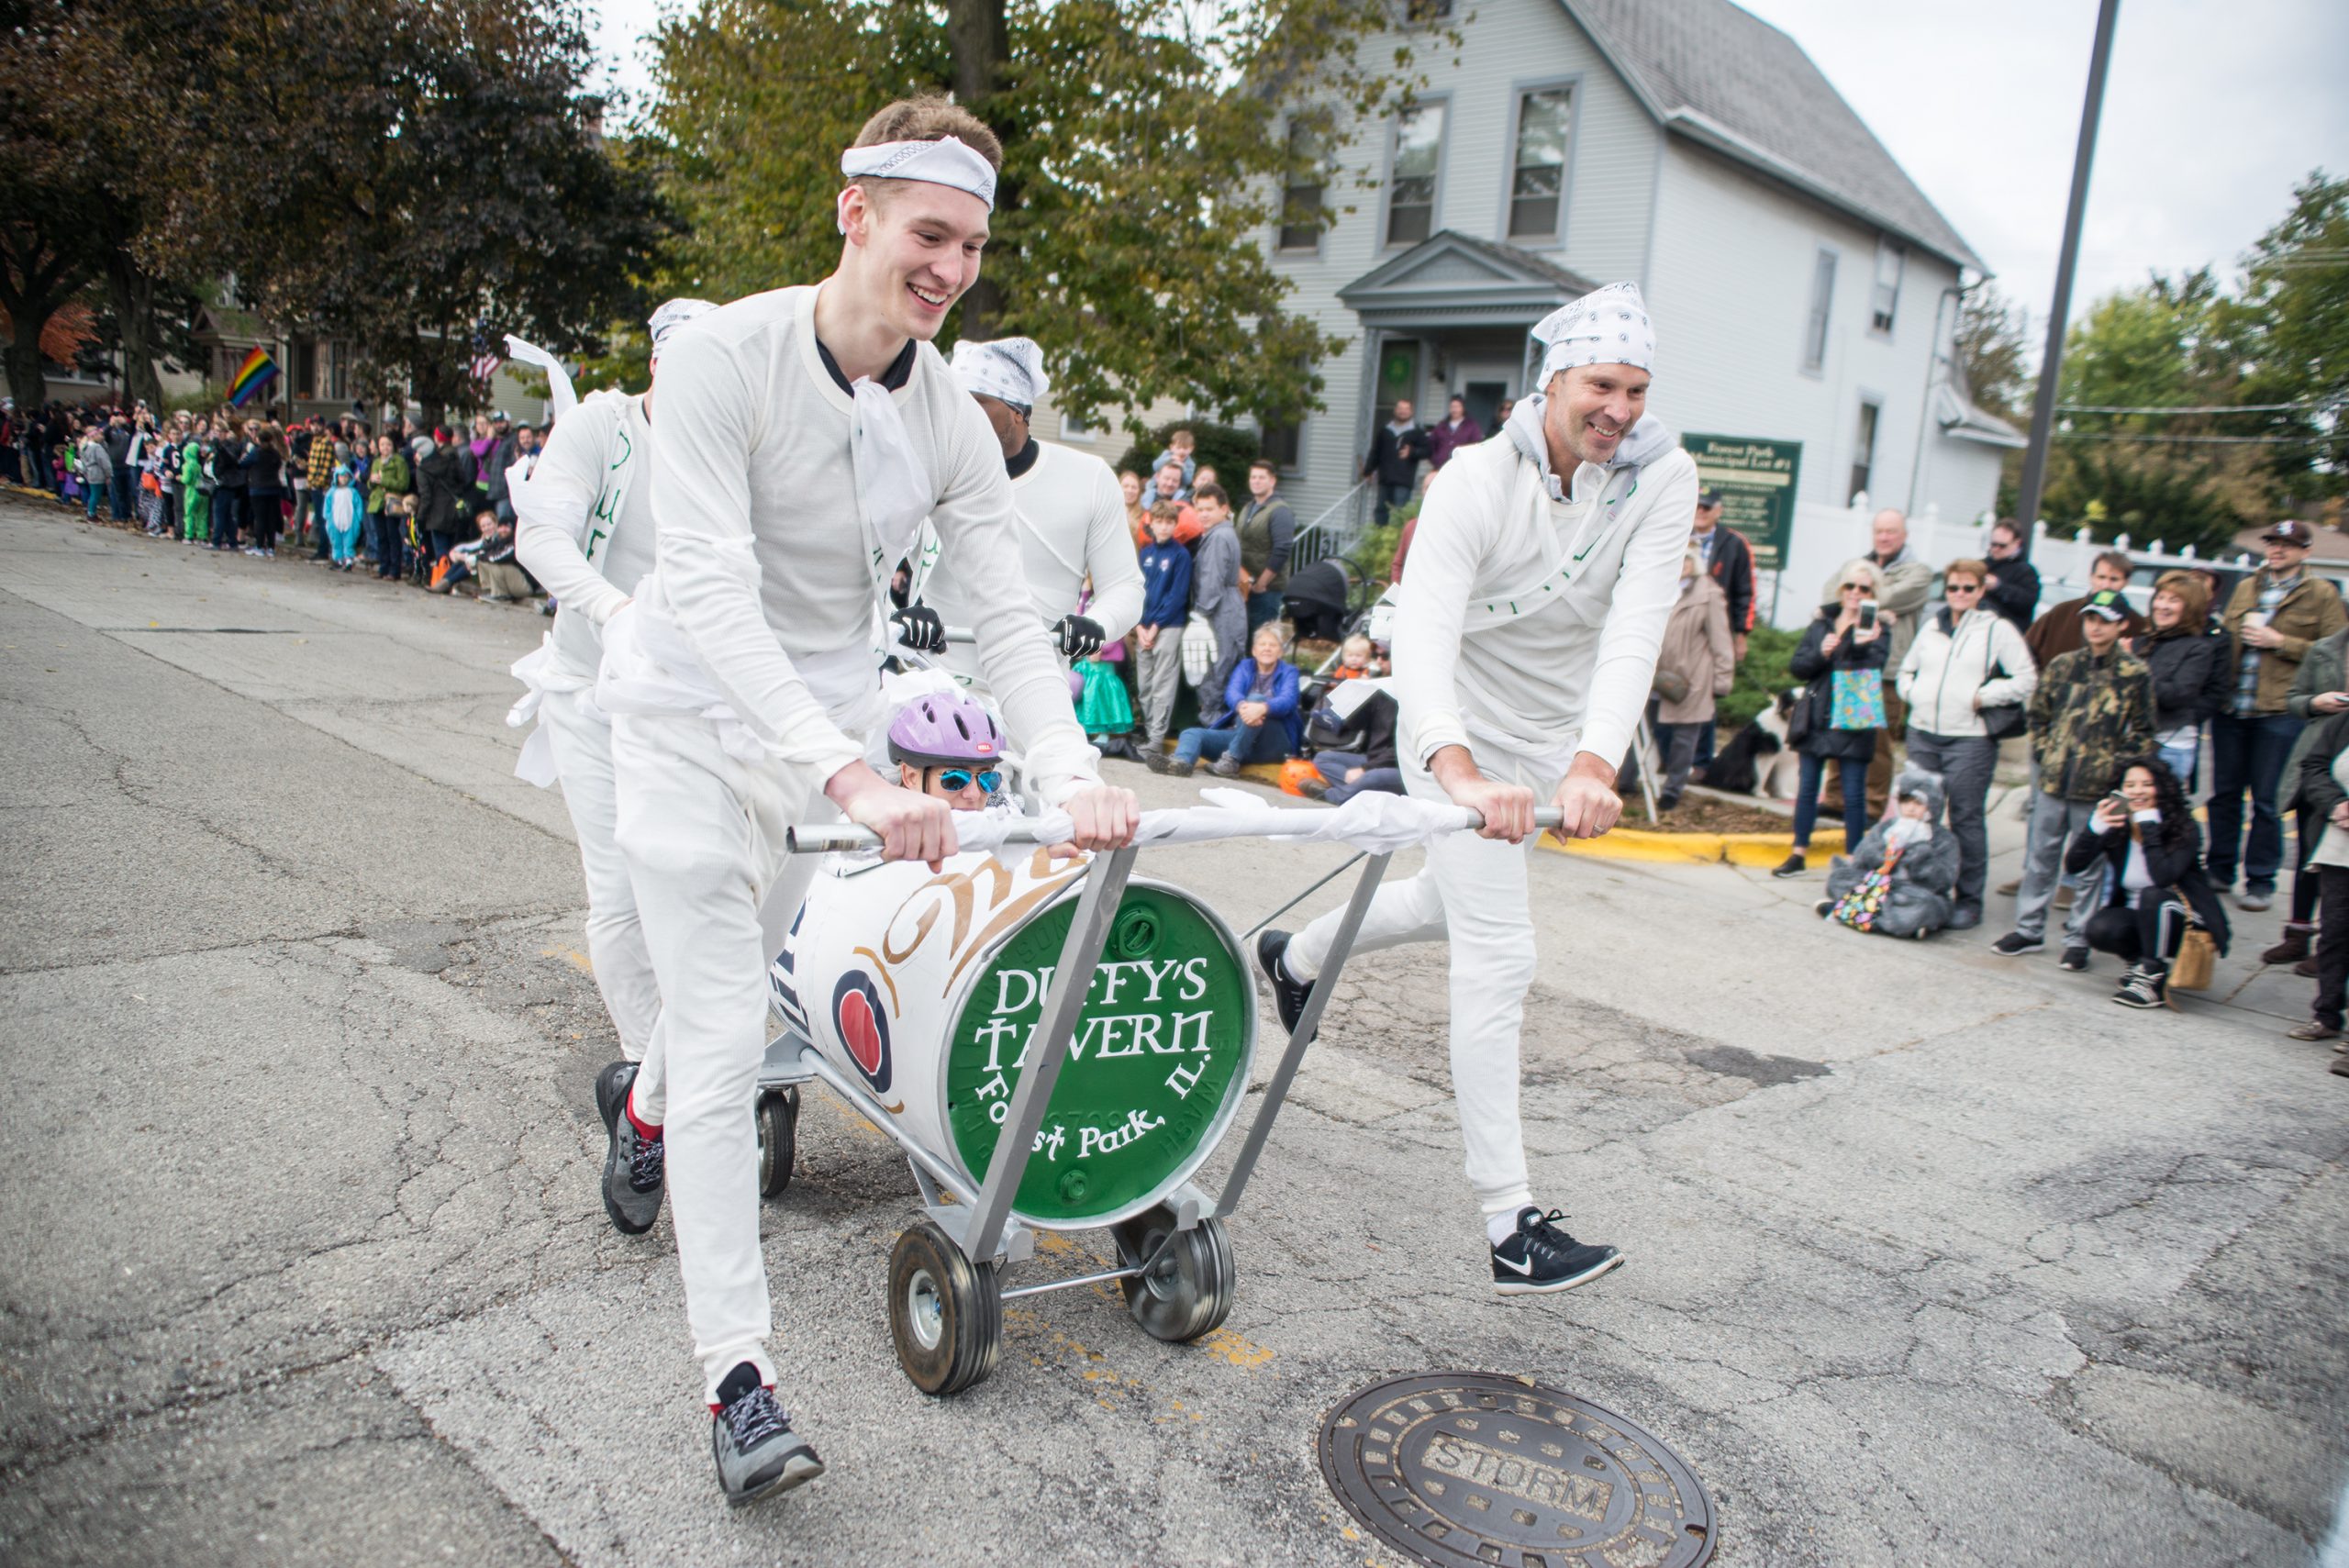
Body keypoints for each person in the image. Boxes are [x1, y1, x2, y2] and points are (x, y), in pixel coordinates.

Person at [590, 97, 1136, 1505]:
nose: (950, 267)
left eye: (971, 245)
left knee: (730, 1015)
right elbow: (705, 583)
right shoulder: (727, 356)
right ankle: (738, 1378)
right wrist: (841, 769)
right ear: (858, 212)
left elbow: (1005, 614)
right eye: (929, 233)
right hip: (682, 722)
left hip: (820, 740)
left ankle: (642, 1112)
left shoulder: (948, 407)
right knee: (723, 1035)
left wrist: (1070, 775)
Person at [1263, 282, 1697, 1296]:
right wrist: (1453, 763)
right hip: (1449, 719)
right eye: (1602, 385)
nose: (1620, 410)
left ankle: (1298, 954)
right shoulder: (1469, 477)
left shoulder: (1660, 476)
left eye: (1635, 390)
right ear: (1553, 380)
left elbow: (1636, 623)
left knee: (1443, 905)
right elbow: (1423, 631)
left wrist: (1594, 760)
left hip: (1550, 740)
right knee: (1500, 951)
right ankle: (1510, 1224)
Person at [508, 296, 719, 1218]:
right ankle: (649, 1089)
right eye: (680, 374)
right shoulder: (604, 427)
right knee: (621, 889)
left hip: (692, 710)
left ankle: (658, 1093)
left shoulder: (729, 450)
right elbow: (542, 533)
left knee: (717, 897)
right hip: (593, 694)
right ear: (654, 368)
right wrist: (613, 611)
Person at [904, 335, 1142, 690]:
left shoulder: (1089, 478)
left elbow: (1125, 586)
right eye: (951, 402)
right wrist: (909, 611)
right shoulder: (925, 468)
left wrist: (1096, 623)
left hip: (1035, 686)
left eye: (976, 402)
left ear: (1018, 411)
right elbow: (868, 565)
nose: (958, 415)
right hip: (934, 685)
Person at [1991, 590, 2156, 969]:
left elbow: (2144, 731)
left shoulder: (2134, 674)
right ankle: (2029, 928)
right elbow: (2040, 715)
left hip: (2095, 790)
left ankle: (2078, 937)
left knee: (2089, 866)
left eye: (2104, 620)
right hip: (2053, 782)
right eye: (2090, 619)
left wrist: (2114, 770)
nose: (2095, 627)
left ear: (2121, 625)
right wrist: (2047, 752)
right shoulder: (2064, 665)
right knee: (2040, 858)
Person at [2208, 519, 2347, 911]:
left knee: (2268, 800)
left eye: (2287, 544)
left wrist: (2280, 642)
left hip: (2280, 710)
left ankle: (2261, 879)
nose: (2277, 550)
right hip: (2233, 705)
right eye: (2273, 542)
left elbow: (2331, 652)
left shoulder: (2320, 593)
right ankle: (2219, 869)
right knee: (2224, 795)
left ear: (2305, 552)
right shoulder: (2249, 585)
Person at [1897, 557, 2037, 929]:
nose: (1960, 594)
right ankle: (1920, 887)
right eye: (1954, 587)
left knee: (1965, 817)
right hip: (1923, 730)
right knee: (1919, 815)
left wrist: (1984, 695)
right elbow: (1906, 670)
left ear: (1981, 590)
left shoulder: (1997, 630)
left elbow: (2026, 679)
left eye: (1968, 588)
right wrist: (1913, 692)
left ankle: (1969, 899)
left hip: (1970, 738)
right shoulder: (1931, 626)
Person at [2067, 757, 2230, 1009]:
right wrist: (2094, 828)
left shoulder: (2184, 827)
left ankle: (2152, 977)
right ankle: (2139, 963)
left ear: (2162, 788)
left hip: (2186, 920)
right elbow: (2073, 865)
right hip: (2143, 918)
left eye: (2147, 784)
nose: (2138, 791)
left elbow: (2162, 878)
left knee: (2152, 895)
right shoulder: (2119, 826)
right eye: (2130, 785)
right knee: (2100, 928)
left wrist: (2149, 827)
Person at [1772, 562, 1891, 877]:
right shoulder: (1822, 621)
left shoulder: (1879, 627)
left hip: (1853, 718)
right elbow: (1798, 667)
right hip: (1816, 714)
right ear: (1841, 589)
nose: (1855, 593)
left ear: (1874, 593)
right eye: (1850, 586)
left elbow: (1876, 667)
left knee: (1853, 793)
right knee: (1808, 788)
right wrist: (1821, 653)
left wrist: (1860, 646)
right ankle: (1798, 852)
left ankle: (1853, 859)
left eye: (1864, 588)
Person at [1820, 508, 1932, 814]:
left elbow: (1886, 596)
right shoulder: (1859, 565)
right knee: (1839, 731)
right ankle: (1834, 799)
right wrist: (1862, 592)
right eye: (1879, 531)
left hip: (1886, 670)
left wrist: (1856, 593)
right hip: (1847, 663)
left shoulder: (1918, 573)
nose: (1884, 537)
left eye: (1891, 531)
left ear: (1904, 535)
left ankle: (1871, 805)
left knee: (1877, 743)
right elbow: (1829, 592)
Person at [2270, 625, 2349, 967]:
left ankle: (2330, 948)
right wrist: (2316, 702)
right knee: (2309, 852)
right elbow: (2293, 700)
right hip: (2320, 755)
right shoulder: (2325, 648)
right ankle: (2298, 934)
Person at [1817, 767, 1961, 939]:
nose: (1911, 808)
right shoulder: (1888, 826)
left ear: (1932, 805)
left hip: (1910, 892)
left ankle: (1846, 912)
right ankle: (1899, 926)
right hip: (1878, 885)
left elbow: (1944, 881)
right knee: (1840, 878)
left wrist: (1920, 853)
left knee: (1927, 906)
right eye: (1906, 802)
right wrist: (1885, 848)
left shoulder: (1943, 838)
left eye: (1918, 803)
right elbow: (1861, 859)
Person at [2286, 704, 2349, 1061]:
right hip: (2340, 845)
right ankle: (2326, 1015)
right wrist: (2336, 804)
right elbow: (2313, 766)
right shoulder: (2342, 723)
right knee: (2335, 933)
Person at [1650, 546, 1733, 811]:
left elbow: (1722, 641)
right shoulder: (1660, 586)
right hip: (1656, 676)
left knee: (1684, 740)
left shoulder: (1709, 594)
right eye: (1679, 557)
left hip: (1692, 678)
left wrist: (1722, 680)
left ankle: (1672, 791)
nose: (1683, 563)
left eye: (1688, 558)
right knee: (1654, 732)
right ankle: (1628, 782)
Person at [2130, 571, 2231, 789]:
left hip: (2168, 744)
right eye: (2160, 597)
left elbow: (2178, 695)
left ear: (2190, 607)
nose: (2163, 606)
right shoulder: (2141, 641)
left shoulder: (2198, 648)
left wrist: (2132, 669)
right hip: (2132, 740)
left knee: (2160, 816)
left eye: (2173, 600)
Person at [1163, 623, 1298, 776]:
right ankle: (1180, 763)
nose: (1267, 648)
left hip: (1272, 742)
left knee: (1256, 699)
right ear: (1254, 650)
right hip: (1240, 738)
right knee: (1191, 734)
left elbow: (1288, 700)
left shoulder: (1289, 672)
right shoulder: (1245, 666)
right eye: (1262, 644)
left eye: (1272, 645)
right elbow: (1232, 693)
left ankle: (1231, 760)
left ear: (1280, 652)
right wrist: (1242, 706)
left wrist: (1262, 708)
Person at [1182, 482, 1247, 728]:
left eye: (1209, 509)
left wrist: (1200, 616)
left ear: (1224, 509)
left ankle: (1215, 735)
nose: (1204, 514)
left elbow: (1211, 582)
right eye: (1199, 509)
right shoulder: (1220, 533)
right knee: (1220, 668)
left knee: (1214, 671)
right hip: (1227, 606)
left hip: (1219, 611)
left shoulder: (1219, 537)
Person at [1133, 502, 1194, 753]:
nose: (1164, 526)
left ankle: (1157, 738)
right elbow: (1136, 590)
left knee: (1162, 685)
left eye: (1169, 522)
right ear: (1152, 523)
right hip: (1142, 628)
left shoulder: (1181, 556)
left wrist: (1155, 627)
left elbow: (1177, 596)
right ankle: (1149, 733)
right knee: (1144, 685)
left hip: (1167, 627)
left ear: (1174, 525)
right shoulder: (1145, 553)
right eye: (1160, 521)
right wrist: (1139, 626)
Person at [2023, 550, 2144, 671]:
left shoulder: (2136, 623)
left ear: (2126, 582)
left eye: (2114, 579)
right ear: (2091, 577)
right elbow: (2026, 650)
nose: (2106, 585)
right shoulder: (2061, 612)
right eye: (2101, 577)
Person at [888, 690, 1008, 808]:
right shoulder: (878, 823)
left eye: (987, 779)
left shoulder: (1006, 813)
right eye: (955, 779)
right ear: (911, 777)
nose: (974, 794)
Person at [1689, 486, 1753, 662]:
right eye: (1697, 506)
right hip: (1676, 619)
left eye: (1707, 508)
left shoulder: (1735, 543)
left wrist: (1742, 634)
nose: (1701, 512)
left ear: (1719, 511)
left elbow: (1745, 591)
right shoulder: (1676, 535)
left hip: (1715, 623)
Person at [1235, 458, 1297, 633]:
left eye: (1261, 477)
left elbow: (1282, 550)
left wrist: (1262, 584)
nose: (1256, 481)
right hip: (1245, 586)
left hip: (1267, 591)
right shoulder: (1248, 507)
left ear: (1272, 480)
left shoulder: (1280, 511)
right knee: (1245, 639)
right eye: (1253, 477)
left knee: (1261, 639)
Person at [1361, 397, 1426, 528]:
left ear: (1411, 412)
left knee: (1399, 514)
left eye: (1406, 409)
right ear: (1395, 410)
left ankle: (1396, 544)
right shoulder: (1385, 431)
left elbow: (1427, 451)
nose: (1403, 412)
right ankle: (1380, 541)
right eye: (1400, 409)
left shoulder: (1417, 432)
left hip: (1403, 481)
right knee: (1381, 513)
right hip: (1385, 479)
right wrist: (1368, 470)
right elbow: (1376, 452)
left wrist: (1412, 452)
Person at [1981, 517, 2041, 631]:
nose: (1996, 549)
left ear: (2016, 543)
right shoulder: (1982, 565)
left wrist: (1998, 587)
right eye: (1993, 544)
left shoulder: (2026, 571)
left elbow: (2027, 602)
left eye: (2002, 546)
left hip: (2007, 633)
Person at [366, 432, 411, 581]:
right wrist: (372, 481)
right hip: (377, 502)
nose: (385, 447)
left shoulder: (399, 462)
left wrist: (384, 480)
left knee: (393, 535)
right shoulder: (377, 461)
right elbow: (371, 484)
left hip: (392, 502)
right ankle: (383, 566)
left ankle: (394, 569)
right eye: (382, 444)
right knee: (381, 536)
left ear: (393, 446)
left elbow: (403, 484)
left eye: (388, 444)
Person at [242, 426, 287, 556]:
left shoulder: (256, 452)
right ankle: (271, 547)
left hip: (258, 488)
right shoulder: (275, 453)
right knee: (271, 518)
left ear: (258, 439)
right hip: (274, 488)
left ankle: (259, 545)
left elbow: (243, 464)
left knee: (260, 518)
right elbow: (278, 465)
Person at [322, 463, 364, 569]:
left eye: (346, 476)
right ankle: (338, 559)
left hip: (350, 520)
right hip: (335, 520)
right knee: (336, 540)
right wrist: (327, 516)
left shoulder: (353, 492)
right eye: (341, 476)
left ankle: (348, 559)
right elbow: (327, 505)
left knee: (349, 540)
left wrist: (359, 518)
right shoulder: (332, 492)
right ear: (337, 477)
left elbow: (358, 505)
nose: (344, 479)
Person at [1427, 395, 1484, 470]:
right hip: (1440, 467)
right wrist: (1435, 459)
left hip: (1461, 467)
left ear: (1463, 408)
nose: (1454, 410)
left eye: (1457, 407)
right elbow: (1431, 443)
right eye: (1452, 407)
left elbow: (1476, 445)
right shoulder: (1441, 426)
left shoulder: (1471, 426)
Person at [1148, 428, 1197, 492]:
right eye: (1178, 448)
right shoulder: (1166, 454)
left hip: (1176, 489)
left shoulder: (1190, 463)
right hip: (1156, 485)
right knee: (1150, 492)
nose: (1182, 451)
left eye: (1185, 448)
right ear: (1172, 448)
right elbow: (1155, 466)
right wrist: (1169, 459)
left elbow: (1188, 481)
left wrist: (1183, 467)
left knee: (1181, 494)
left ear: (1191, 449)